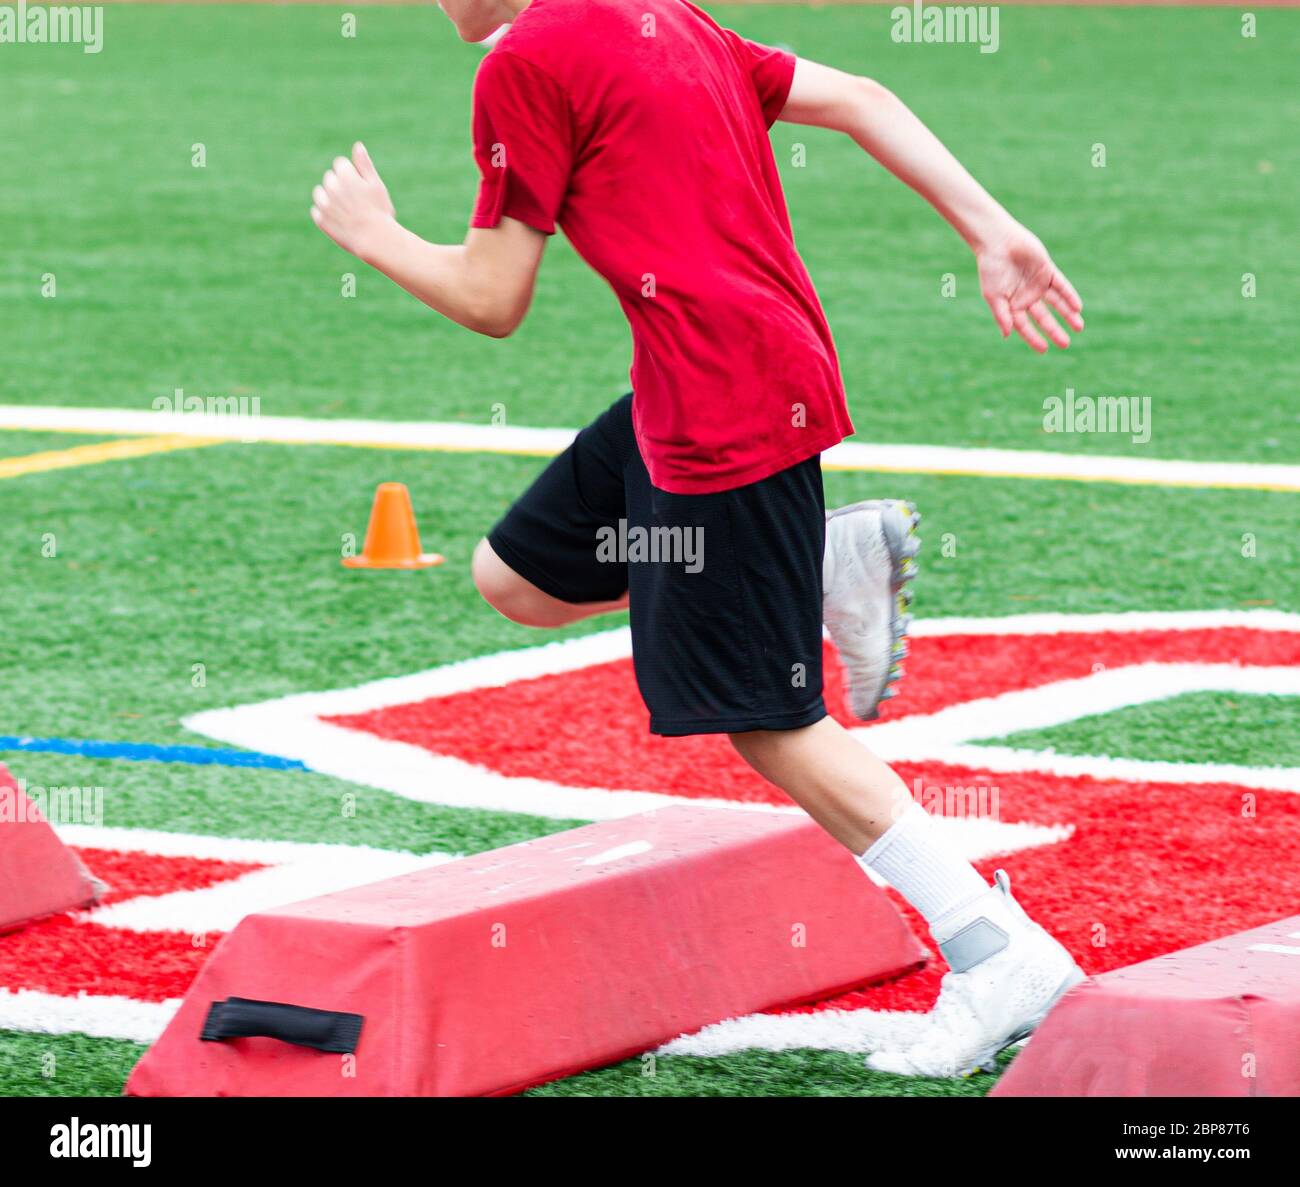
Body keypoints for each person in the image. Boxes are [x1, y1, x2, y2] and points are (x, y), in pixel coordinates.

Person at [309, 0, 1086, 1077]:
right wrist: (991, 227)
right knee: (517, 578)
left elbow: (494, 298)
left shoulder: (522, 67)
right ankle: (810, 563)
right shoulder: (660, 14)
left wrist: (375, 238)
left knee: (768, 722)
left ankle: (991, 945)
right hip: (715, 378)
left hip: (721, 411)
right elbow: (865, 97)